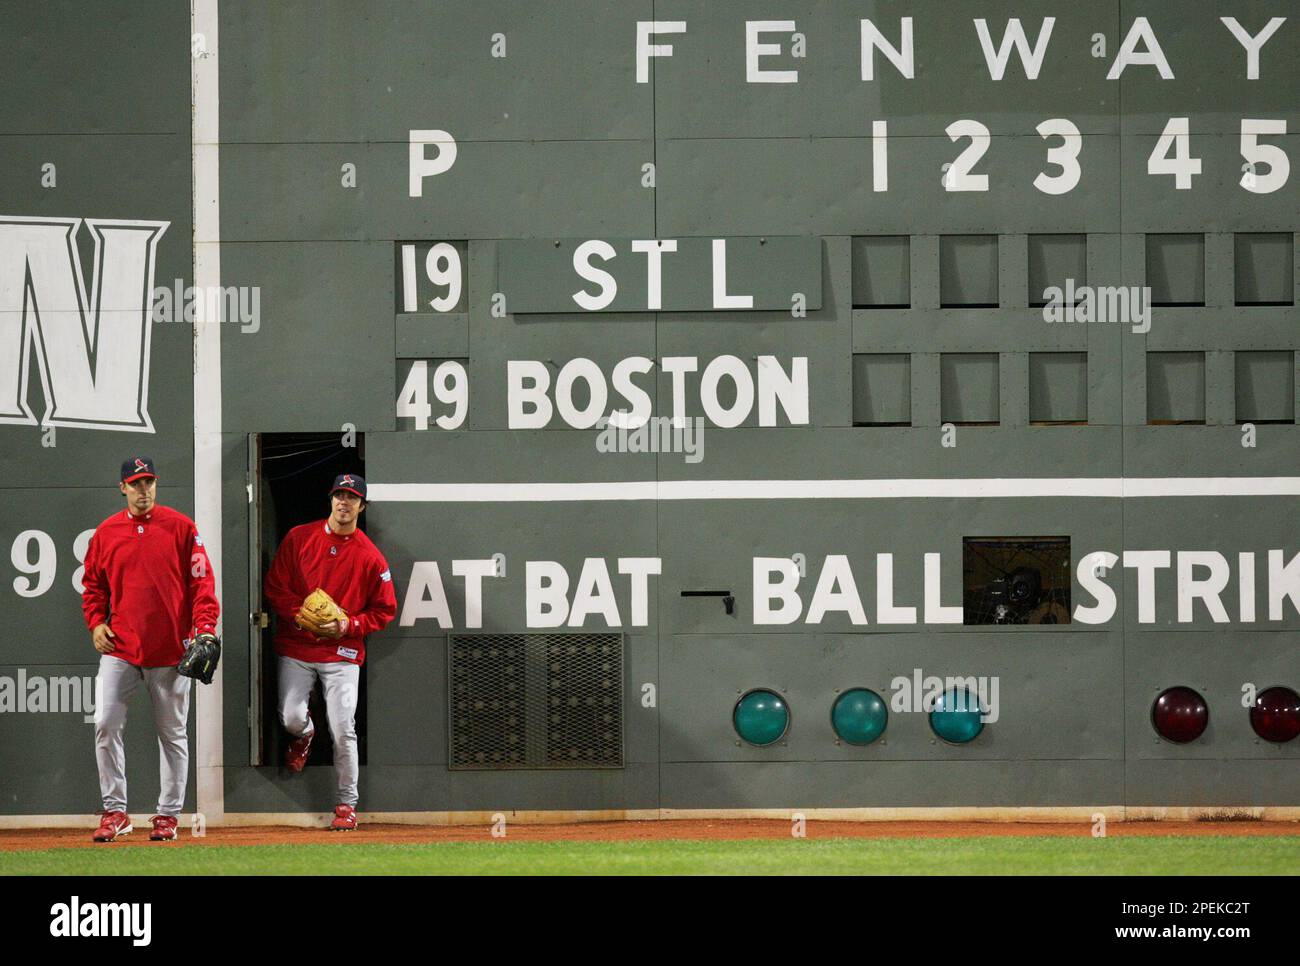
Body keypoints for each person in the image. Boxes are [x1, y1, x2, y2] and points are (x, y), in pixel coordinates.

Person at [81, 457, 220, 843]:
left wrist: (205, 629)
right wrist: (96, 622)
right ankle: (115, 811)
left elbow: (202, 585)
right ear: (122, 488)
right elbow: (93, 586)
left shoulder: (181, 527)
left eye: (149, 482)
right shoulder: (107, 532)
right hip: (121, 647)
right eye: (136, 484)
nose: (144, 490)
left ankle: (168, 815)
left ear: (156, 484)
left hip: (171, 650)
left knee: (172, 734)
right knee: (106, 724)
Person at [263, 474, 397, 831]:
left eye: (351, 498)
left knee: (343, 729)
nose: (344, 502)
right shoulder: (299, 538)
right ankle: (305, 735)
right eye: (339, 494)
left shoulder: (371, 557)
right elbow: (275, 587)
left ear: (361, 506)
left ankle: (346, 806)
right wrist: (299, 614)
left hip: (342, 653)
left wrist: (348, 625)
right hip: (297, 646)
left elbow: (385, 610)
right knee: (291, 717)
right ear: (330, 499)